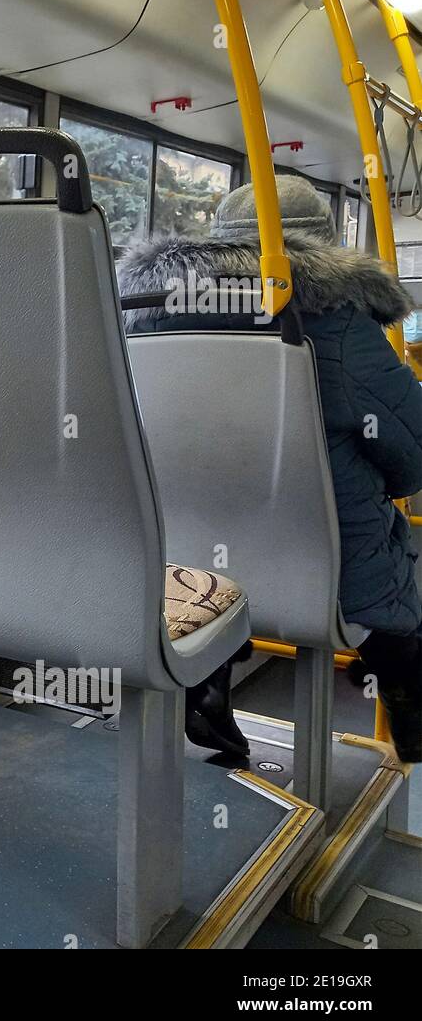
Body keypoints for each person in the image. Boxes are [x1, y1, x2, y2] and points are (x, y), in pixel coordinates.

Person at [118, 175, 422, 764]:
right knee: (386, 559)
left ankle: (206, 681)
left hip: (184, 564)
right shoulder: (336, 325)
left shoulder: (147, 313)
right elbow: (412, 459)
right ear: (325, 248)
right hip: (324, 575)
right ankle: (409, 708)